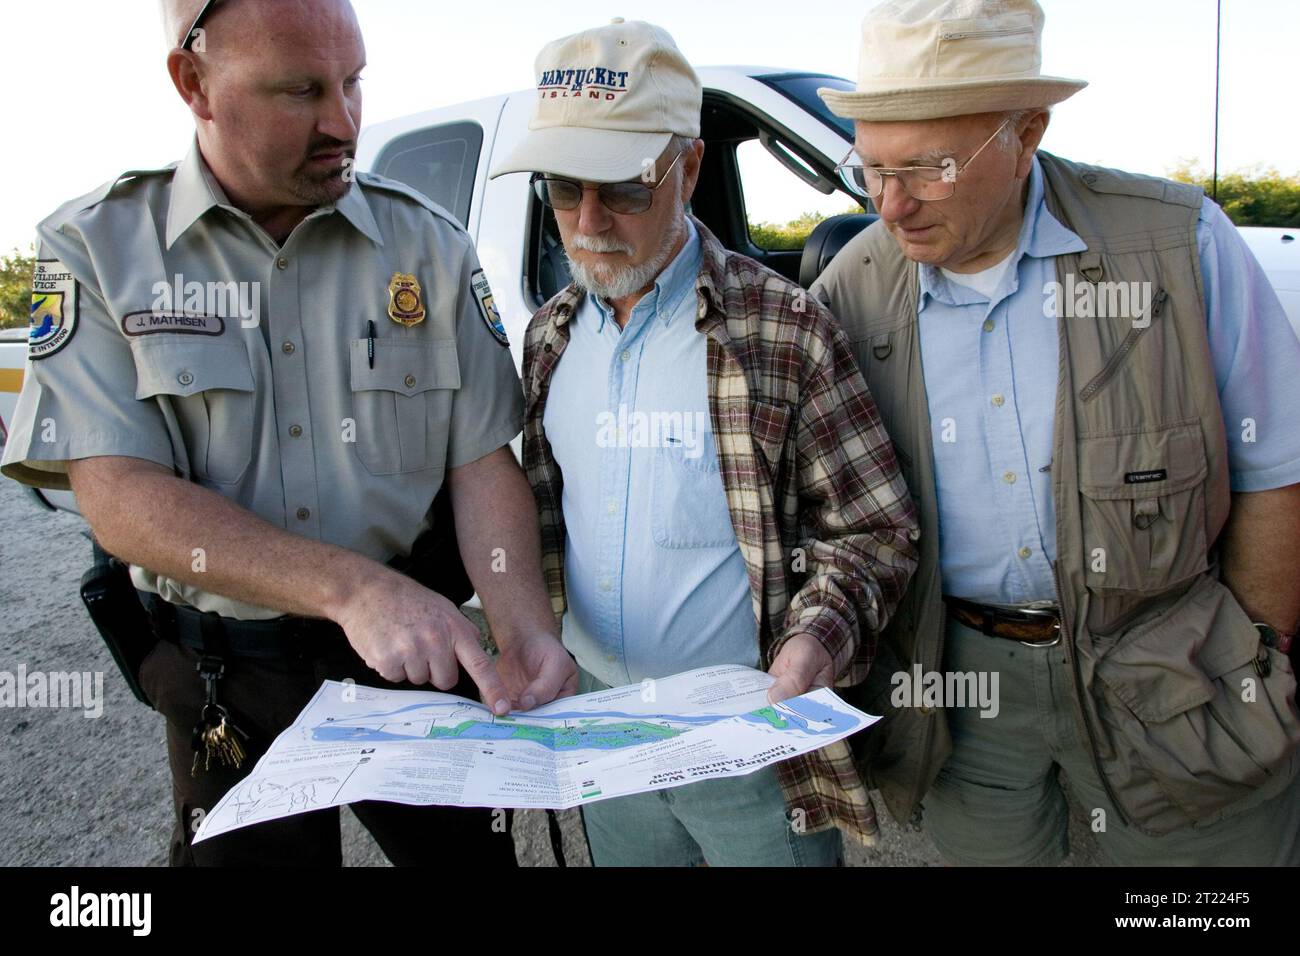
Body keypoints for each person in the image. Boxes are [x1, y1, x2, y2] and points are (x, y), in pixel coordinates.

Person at [1, 0, 576, 866]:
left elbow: (478, 463)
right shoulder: (94, 250)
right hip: (226, 675)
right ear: (193, 82)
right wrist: (350, 590)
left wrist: (525, 625)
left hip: (411, 660)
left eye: (353, 82)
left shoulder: (430, 249)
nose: (342, 121)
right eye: (300, 91)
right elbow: (119, 500)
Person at [810, 0, 1300, 865]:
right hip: (959, 682)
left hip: (1176, 663)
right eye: (871, 167)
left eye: (929, 166)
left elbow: (1275, 473)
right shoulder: (854, 289)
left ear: (1026, 132)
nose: (891, 205)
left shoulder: (1180, 245)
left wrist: (1259, 658)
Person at [489, 19, 919, 866]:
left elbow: (875, 532)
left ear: (687, 170)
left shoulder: (784, 331)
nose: (588, 221)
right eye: (564, 189)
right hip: (604, 736)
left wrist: (810, 648)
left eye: (622, 189)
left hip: (745, 747)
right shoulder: (549, 337)